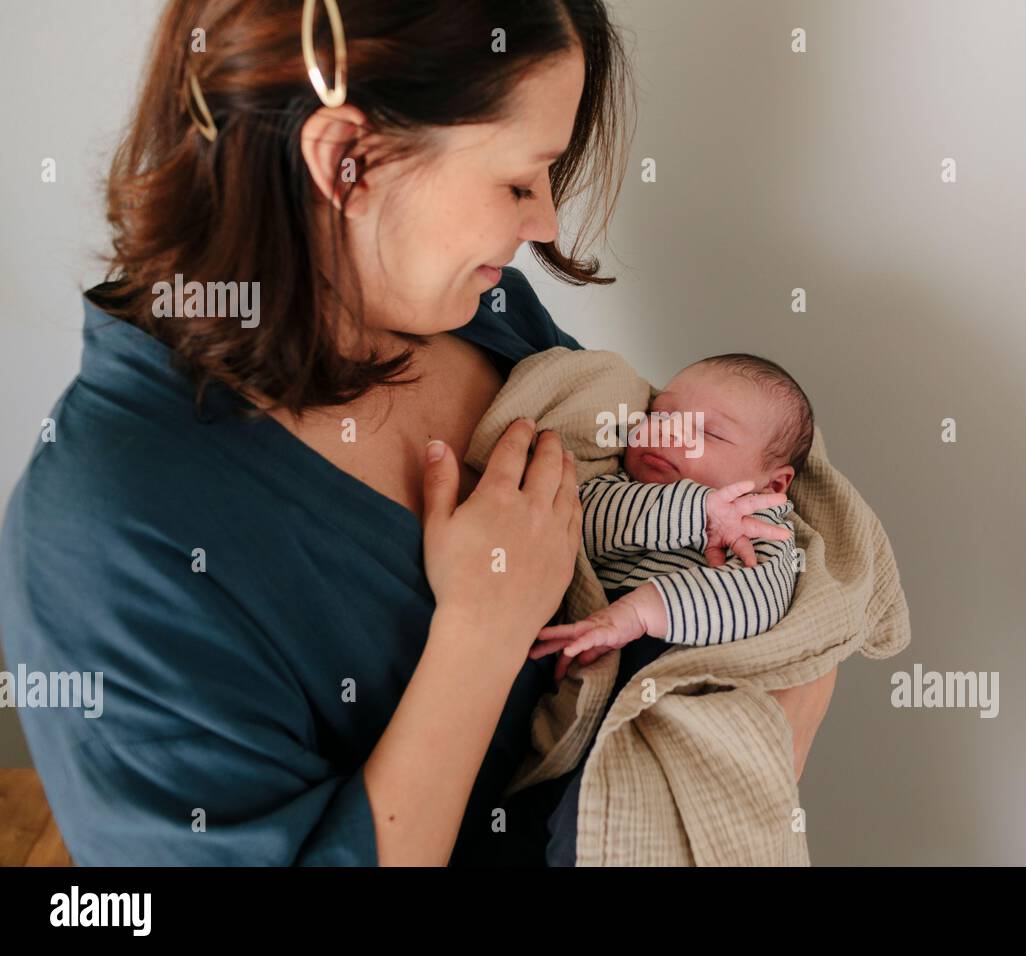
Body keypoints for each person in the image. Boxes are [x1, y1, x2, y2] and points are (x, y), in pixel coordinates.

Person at [0, 0, 837, 866]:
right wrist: (481, 631)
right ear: (346, 160)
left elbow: (717, 536)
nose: (544, 222)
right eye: (519, 180)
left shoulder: (486, 316)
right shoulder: (108, 533)